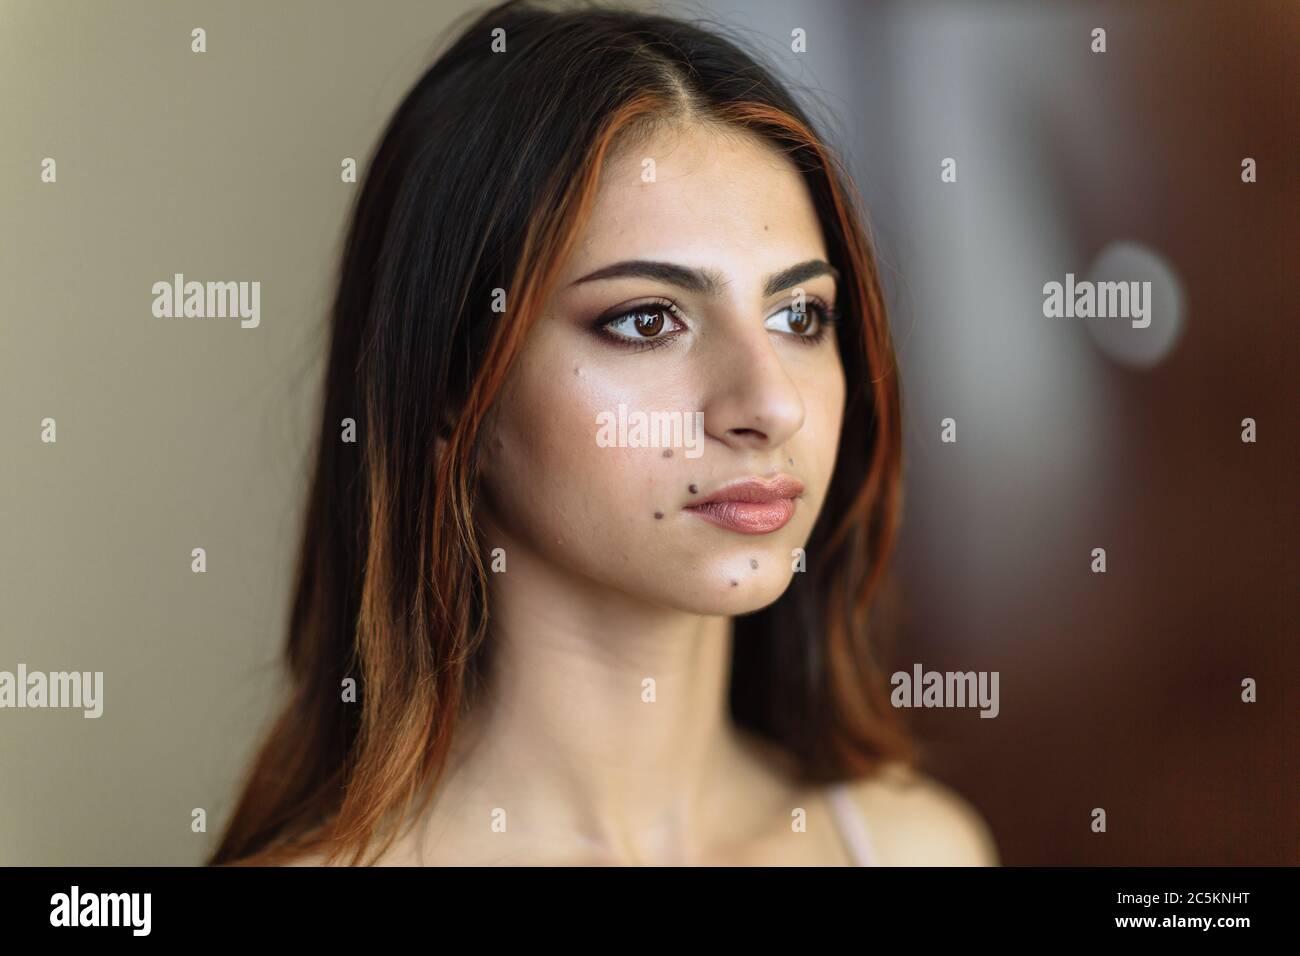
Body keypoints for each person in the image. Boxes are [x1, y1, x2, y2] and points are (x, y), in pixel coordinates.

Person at [208, 0, 998, 867]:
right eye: (648, 321)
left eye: (799, 314)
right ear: (448, 384)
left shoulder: (920, 848)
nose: (771, 407)